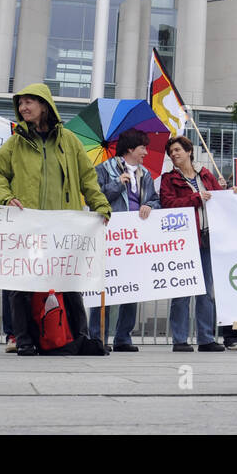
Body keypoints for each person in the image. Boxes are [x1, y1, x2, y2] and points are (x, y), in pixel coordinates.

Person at [0, 82, 111, 356]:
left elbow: (87, 178)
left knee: (69, 280)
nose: (23, 108)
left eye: (29, 102)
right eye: (20, 104)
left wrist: (101, 206)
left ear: (45, 105)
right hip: (27, 225)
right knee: (22, 284)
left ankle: (79, 338)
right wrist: (6, 198)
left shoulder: (69, 141)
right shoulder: (15, 143)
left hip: (61, 227)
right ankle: (24, 339)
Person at [89, 129, 159, 352]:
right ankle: (98, 336)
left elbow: (156, 200)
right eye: (142, 148)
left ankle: (123, 337)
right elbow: (94, 197)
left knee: (133, 287)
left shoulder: (145, 174)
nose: (146, 153)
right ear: (130, 148)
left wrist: (150, 205)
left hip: (136, 238)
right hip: (112, 236)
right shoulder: (104, 169)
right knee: (106, 286)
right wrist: (117, 183)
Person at [160, 135, 231, 353]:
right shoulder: (168, 179)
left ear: (189, 151)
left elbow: (219, 199)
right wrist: (195, 198)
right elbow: (168, 203)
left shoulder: (206, 174)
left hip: (208, 239)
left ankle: (206, 338)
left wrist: (229, 191)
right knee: (182, 292)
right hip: (185, 241)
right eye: (171, 152)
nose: (174, 154)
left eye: (178, 150)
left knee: (207, 292)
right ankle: (180, 339)